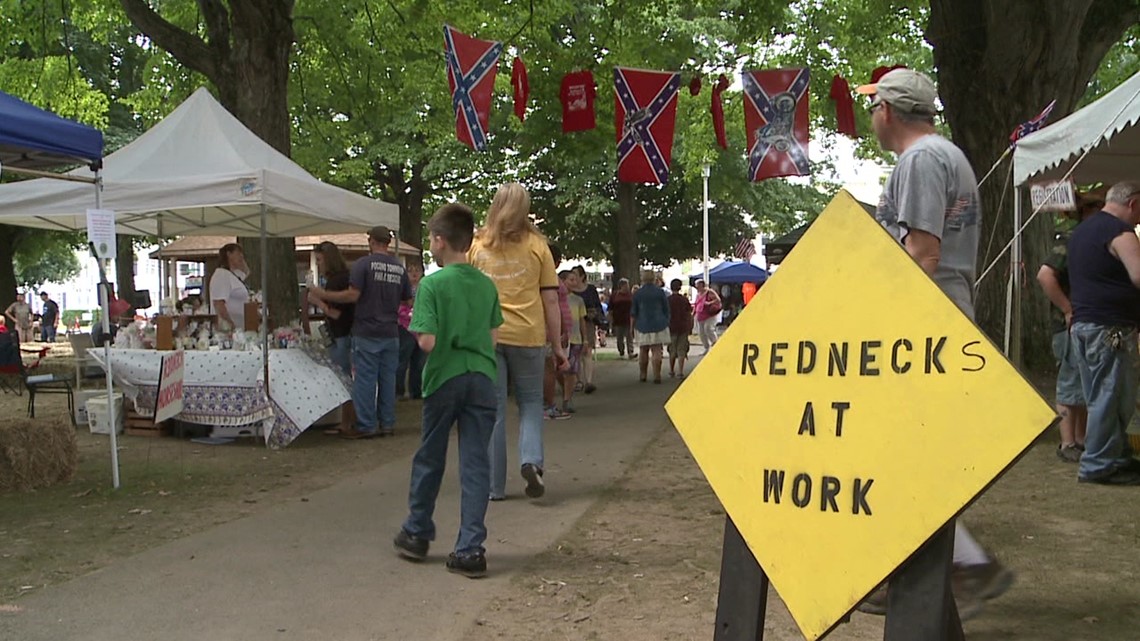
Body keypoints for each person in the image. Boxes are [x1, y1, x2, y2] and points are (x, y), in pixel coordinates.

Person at [855, 67, 1010, 617]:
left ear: (888, 112)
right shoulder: (950, 155)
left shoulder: (919, 160)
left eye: (873, 104)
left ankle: (961, 566)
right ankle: (941, 566)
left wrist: (891, 324)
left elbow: (922, 253)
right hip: (945, 317)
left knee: (893, 450)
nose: (869, 113)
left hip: (925, 324)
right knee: (906, 451)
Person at [393, 203, 503, 579]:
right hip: (482, 376)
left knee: (431, 456)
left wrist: (413, 325)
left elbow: (426, 342)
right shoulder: (486, 284)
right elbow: (493, 336)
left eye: (430, 240)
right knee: (475, 461)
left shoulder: (432, 285)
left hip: (444, 376)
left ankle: (417, 530)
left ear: (440, 241)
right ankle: (471, 547)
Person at [469, 183, 567, 500]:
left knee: (493, 410)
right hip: (529, 335)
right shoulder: (539, 246)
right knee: (530, 405)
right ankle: (531, 462)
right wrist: (558, 345)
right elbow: (551, 301)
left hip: (488, 337)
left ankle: (494, 487)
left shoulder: (477, 246)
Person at [1066, 181, 1140, 485]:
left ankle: (1117, 456)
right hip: (1110, 327)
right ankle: (1097, 465)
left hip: (1084, 325)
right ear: (1133, 204)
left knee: (1101, 393)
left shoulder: (1081, 232)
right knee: (1112, 396)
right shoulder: (1120, 232)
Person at [309, 225, 411, 439]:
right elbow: (407, 299)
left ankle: (367, 424)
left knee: (365, 379)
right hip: (391, 330)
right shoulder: (399, 268)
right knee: (388, 379)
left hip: (367, 329)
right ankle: (388, 423)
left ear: (371, 241)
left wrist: (324, 294)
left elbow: (352, 295)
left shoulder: (363, 265)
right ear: (389, 243)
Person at [1037, 194, 1101, 462]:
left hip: (1084, 321)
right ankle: (1067, 442)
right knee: (1069, 382)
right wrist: (1066, 309)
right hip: (1068, 326)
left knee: (1083, 385)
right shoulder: (1070, 239)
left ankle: (1080, 440)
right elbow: (1045, 275)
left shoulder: (1091, 240)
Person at [306, 241, 357, 434]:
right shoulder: (342, 278)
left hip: (341, 334)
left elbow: (335, 313)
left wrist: (318, 300)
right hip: (342, 333)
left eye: (319, 260)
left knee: (343, 379)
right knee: (345, 378)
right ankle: (349, 419)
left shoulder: (337, 281)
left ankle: (347, 421)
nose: (318, 264)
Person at [542, 244, 572, 420]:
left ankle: (547, 404)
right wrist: (559, 332)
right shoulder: (549, 278)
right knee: (549, 368)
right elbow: (553, 305)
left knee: (550, 367)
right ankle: (548, 405)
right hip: (551, 330)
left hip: (552, 328)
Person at [630, 270, 670, 383]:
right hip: (659, 323)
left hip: (642, 324)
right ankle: (657, 375)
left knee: (643, 350)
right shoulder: (660, 292)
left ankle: (643, 374)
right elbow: (666, 309)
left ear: (642, 278)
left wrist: (632, 327)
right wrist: (666, 320)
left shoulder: (638, 293)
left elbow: (634, 312)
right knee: (657, 350)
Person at [559, 270, 588, 414]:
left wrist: (586, 339)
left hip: (575, 339)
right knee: (558, 370)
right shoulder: (556, 298)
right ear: (562, 281)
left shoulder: (578, 300)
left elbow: (582, 321)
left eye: (575, 279)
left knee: (570, 371)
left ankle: (567, 399)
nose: (574, 282)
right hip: (558, 340)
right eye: (571, 279)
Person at [396, 263, 427, 400]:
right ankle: (399, 391)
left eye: (417, 271)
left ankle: (416, 390)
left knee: (419, 362)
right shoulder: (402, 288)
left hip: (421, 326)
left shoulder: (426, 287)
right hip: (405, 326)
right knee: (402, 360)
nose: (414, 274)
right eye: (410, 271)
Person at [570, 265, 601, 394]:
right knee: (575, 352)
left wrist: (594, 315)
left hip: (587, 322)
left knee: (587, 350)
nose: (574, 278)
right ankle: (578, 381)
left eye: (576, 275)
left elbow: (597, 305)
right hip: (572, 323)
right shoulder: (569, 290)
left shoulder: (590, 289)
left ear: (582, 276)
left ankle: (588, 381)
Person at [209, 243, 251, 332]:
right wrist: (230, 324)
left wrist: (241, 261)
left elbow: (246, 271)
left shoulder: (233, 275)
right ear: (229, 254)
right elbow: (219, 304)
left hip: (242, 327)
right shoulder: (222, 275)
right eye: (238, 253)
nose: (241, 256)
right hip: (230, 329)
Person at [666, 279, 693, 378]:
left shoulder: (668, 300)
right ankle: (680, 371)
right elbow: (689, 313)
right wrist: (690, 326)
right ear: (680, 287)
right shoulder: (684, 300)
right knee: (681, 350)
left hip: (671, 327)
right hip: (683, 326)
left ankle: (671, 370)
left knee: (672, 349)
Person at [608, 278, 634, 359]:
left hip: (628, 318)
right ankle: (621, 351)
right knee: (620, 337)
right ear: (621, 286)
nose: (627, 287)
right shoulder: (615, 295)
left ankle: (630, 352)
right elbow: (610, 308)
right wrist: (611, 319)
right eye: (626, 285)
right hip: (617, 319)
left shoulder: (630, 295)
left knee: (629, 336)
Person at [692, 279, 721, 352]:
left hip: (709, 314)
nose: (696, 287)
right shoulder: (698, 294)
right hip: (700, 315)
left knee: (708, 328)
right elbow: (696, 304)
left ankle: (715, 342)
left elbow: (718, 300)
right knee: (701, 332)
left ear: (702, 285)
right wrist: (693, 313)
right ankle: (706, 347)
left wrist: (709, 303)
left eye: (698, 286)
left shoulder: (709, 292)